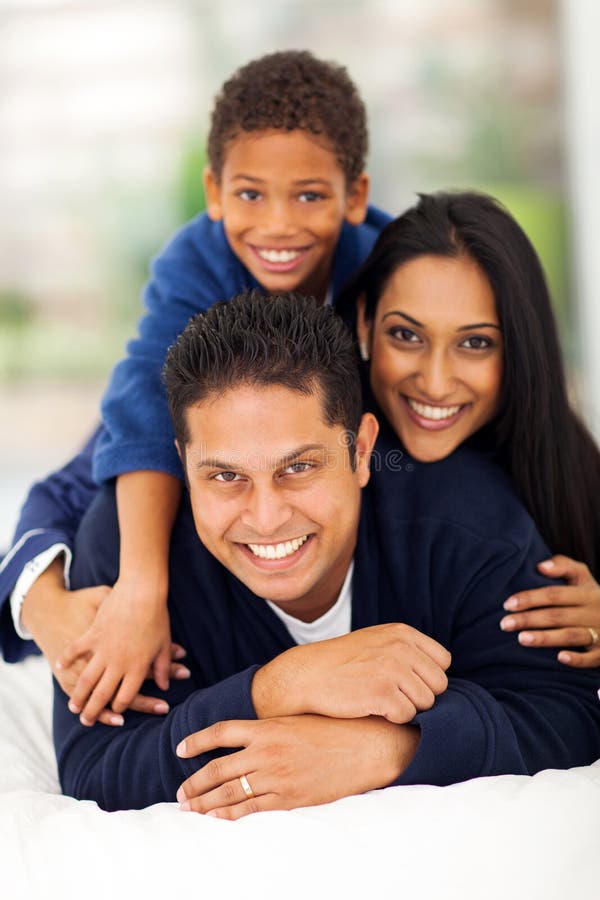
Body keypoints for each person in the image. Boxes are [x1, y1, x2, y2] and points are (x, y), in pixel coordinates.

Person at [53, 290, 600, 815]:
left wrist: (387, 747)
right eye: (225, 475)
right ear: (182, 462)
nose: (265, 518)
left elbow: (567, 712)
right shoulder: (127, 552)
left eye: (298, 468)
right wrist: (278, 686)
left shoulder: (471, 522)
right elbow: (96, 764)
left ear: (360, 451)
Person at [0, 50, 389, 724]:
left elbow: (505, 407)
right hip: (199, 476)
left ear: (353, 195)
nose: (276, 224)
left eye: (309, 195)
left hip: (351, 483)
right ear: (214, 192)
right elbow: (131, 430)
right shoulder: (196, 266)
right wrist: (105, 599)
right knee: (97, 486)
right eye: (249, 194)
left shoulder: (389, 266)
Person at [337, 190, 600, 667]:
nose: (436, 382)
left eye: (475, 342)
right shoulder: (316, 449)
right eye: (406, 335)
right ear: (364, 321)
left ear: (518, 348)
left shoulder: (573, 470)